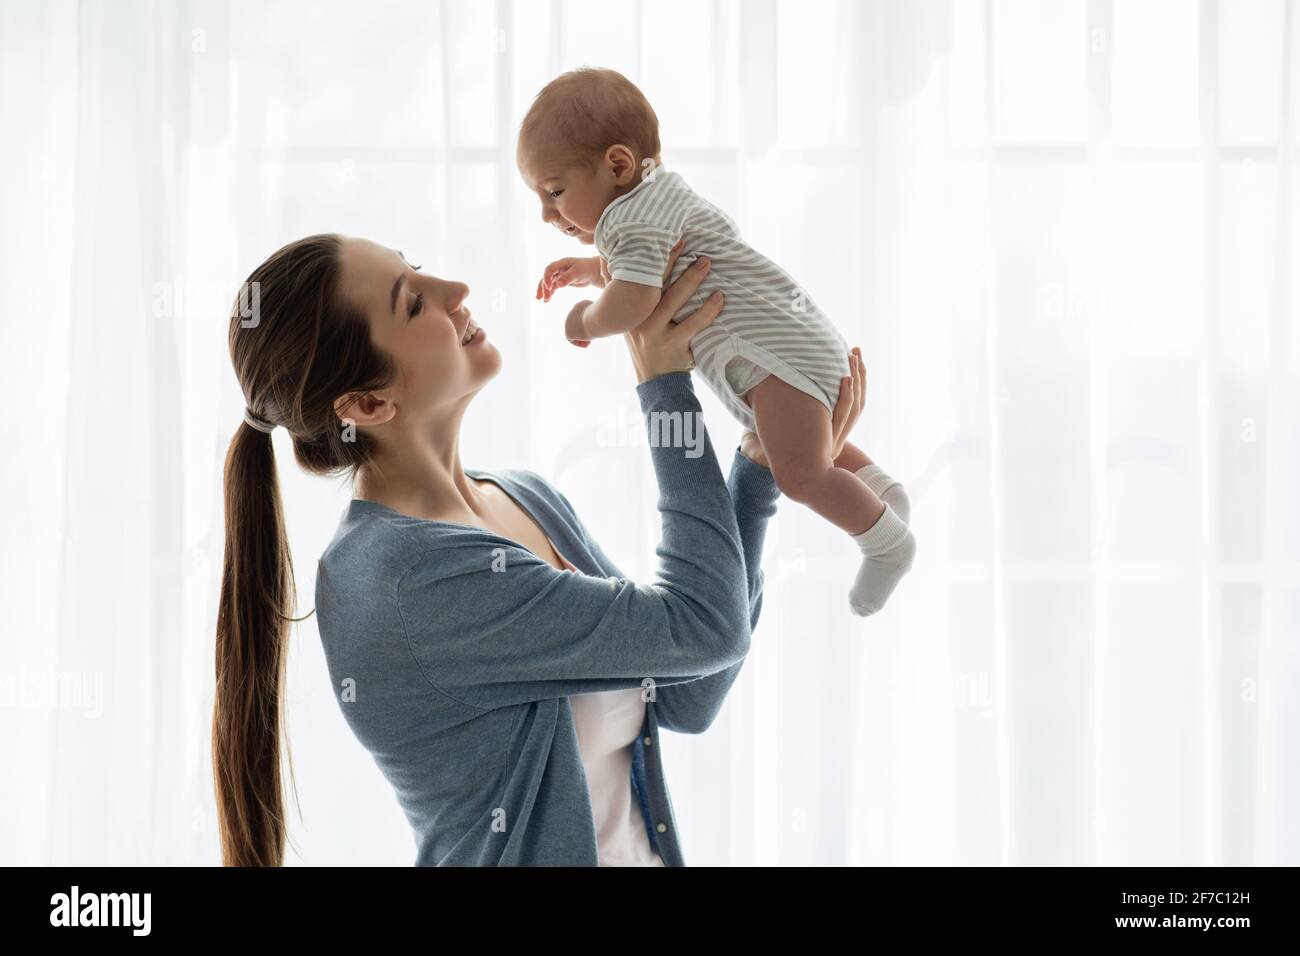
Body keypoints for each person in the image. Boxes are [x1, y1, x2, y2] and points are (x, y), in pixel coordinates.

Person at [212, 231, 864, 866]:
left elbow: (685, 692)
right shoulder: (405, 579)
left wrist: (757, 467)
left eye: (418, 267)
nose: (455, 288)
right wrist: (665, 392)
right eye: (412, 302)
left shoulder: (522, 497)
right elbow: (706, 629)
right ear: (367, 402)